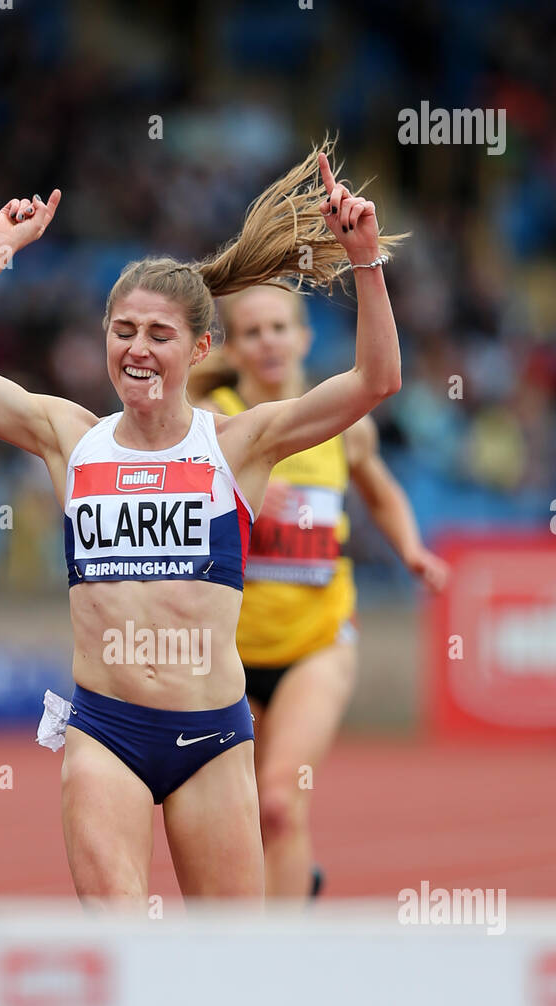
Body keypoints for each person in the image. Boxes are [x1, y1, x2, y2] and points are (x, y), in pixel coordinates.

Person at [0, 143, 402, 1006]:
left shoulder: (241, 445)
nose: (134, 348)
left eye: (155, 333)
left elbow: (372, 386)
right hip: (105, 729)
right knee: (113, 947)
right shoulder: (65, 437)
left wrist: (365, 265)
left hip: (214, 737)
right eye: (120, 330)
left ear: (198, 349)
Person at [190, 288, 448, 899]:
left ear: (305, 338)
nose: (269, 341)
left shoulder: (339, 422)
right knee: (238, 812)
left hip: (316, 641)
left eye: (281, 327)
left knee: (279, 801)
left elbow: (380, 490)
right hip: (229, 654)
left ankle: (286, 957)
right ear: (233, 346)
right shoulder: (209, 422)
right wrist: (238, 496)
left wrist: (410, 548)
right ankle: (288, 892)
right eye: (251, 331)